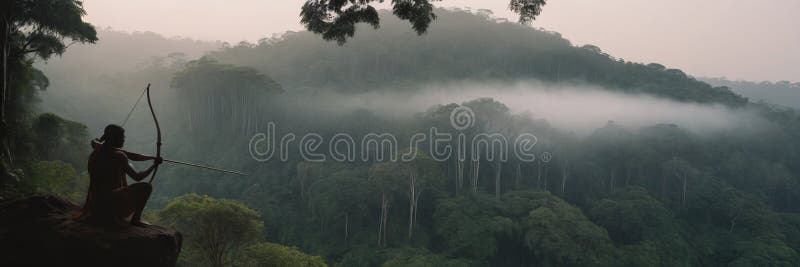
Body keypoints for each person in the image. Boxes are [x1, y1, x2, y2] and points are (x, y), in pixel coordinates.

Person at [79, 124, 162, 226]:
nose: (124, 139)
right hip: (108, 204)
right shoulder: (119, 156)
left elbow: (132, 156)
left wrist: (151, 158)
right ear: (114, 138)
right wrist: (154, 165)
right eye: (122, 137)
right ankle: (136, 219)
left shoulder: (96, 152)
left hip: (94, 203)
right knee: (146, 187)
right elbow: (137, 177)